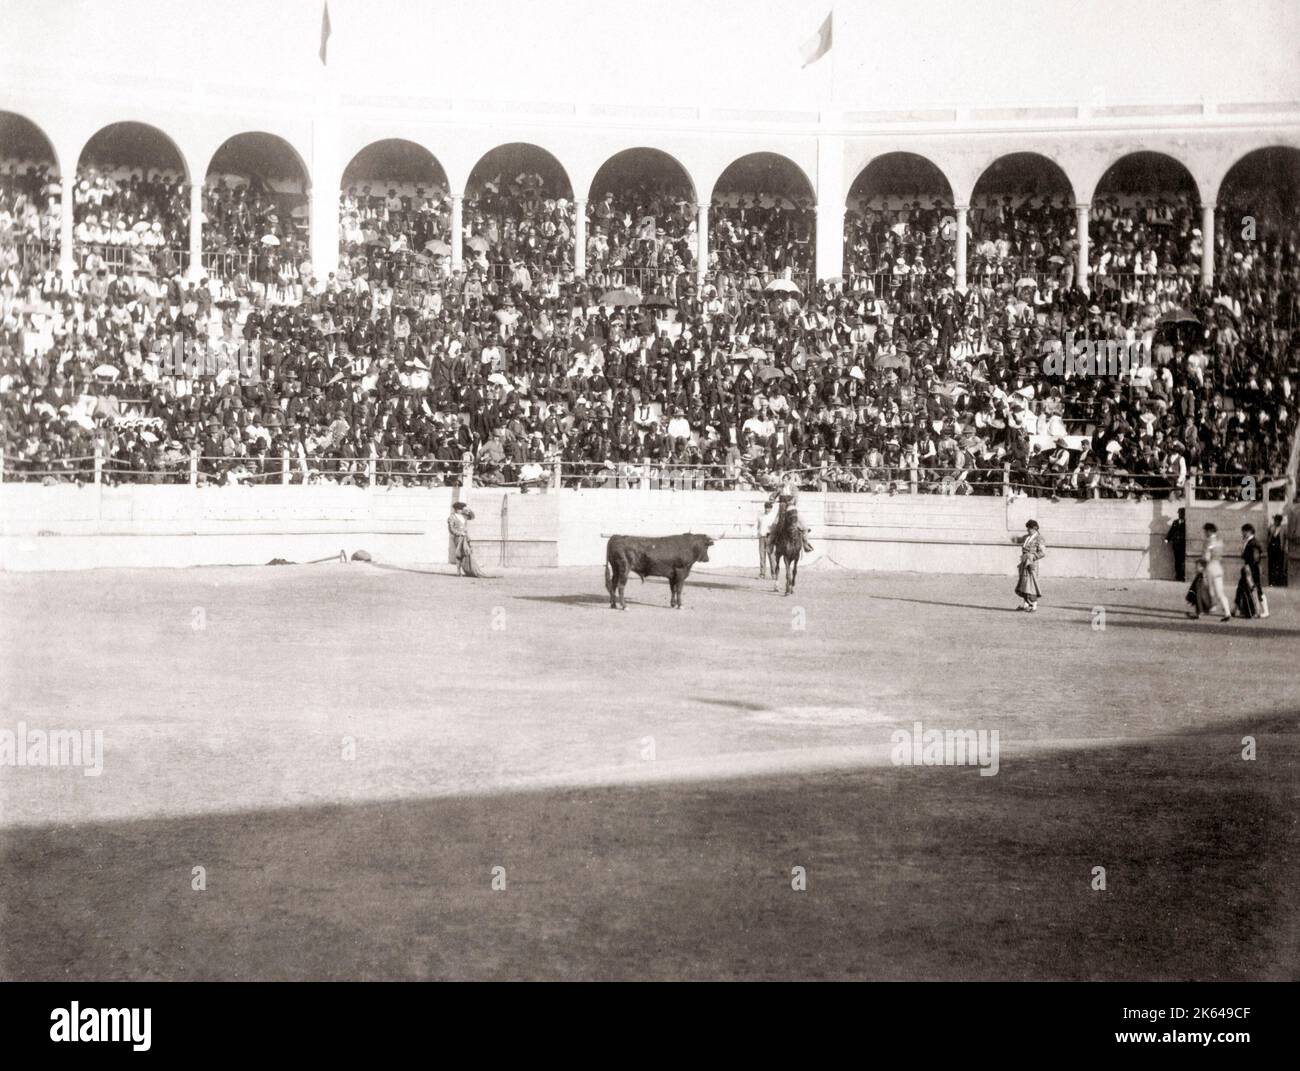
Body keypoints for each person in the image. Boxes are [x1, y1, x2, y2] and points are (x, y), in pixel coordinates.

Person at [1191, 523, 1231, 622]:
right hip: (1218, 568)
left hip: (1208, 569)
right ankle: (1227, 612)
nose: (1204, 533)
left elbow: (1206, 557)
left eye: (1205, 531)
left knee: (1200, 590)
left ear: (1209, 531)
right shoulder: (1219, 541)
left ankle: (1200, 612)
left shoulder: (1208, 542)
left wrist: (1200, 564)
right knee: (1219, 592)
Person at [765, 473, 814, 553]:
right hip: (781, 510)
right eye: (783, 480)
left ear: (789, 480)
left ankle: (806, 544)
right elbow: (773, 496)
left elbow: (795, 498)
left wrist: (789, 502)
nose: (784, 481)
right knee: (774, 526)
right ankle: (770, 545)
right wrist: (772, 499)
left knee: (804, 526)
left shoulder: (794, 488)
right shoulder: (780, 487)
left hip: (791, 509)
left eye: (786, 480)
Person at [1234, 523, 1267, 618]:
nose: (1242, 533)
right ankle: (1234, 609)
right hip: (1248, 569)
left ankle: (1265, 611)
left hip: (1251, 570)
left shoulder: (1253, 543)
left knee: (1257, 589)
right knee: (1240, 588)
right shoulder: (1248, 541)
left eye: (1244, 531)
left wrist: (1250, 569)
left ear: (1248, 531)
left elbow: (1255, 558)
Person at [1013, 519, 1046, 612]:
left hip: (1031, 564)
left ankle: (1034, 606)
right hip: (1024, 563)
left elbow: (1042, 553)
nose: (1028, 530)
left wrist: (1032, 557)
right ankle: (1026, 604)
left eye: (1030, 528)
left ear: (1035, 528)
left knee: (1031, 584)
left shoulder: (1039, 538)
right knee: (1024, 583)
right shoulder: (1028, 537)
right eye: (1028, 528)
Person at [447, 500, 482, 577]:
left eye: (461, 508)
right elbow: (451, 529)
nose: (461, 510)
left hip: (465, 536)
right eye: (459, 509)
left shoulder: (464, 515)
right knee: (459, 554)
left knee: (468, 552)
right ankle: (458, 571)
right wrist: (460, 533)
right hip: (458, 537)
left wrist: (469, 511)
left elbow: (472, 517)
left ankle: (469, 569)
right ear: (455, 509)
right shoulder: (451, 517)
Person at [1164, 507, 1186, 583]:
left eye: (1181, 513)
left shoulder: (1187, 522)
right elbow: (1171, 531)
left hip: (1183, 545)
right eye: (1179, 513)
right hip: (1176, 545)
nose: (1180, 515)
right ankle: (1178, 576)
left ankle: (1183, 576)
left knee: (1183, 561)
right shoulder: (1175, 522)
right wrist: (1167, 539)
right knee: (1177, 561)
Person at [1267, 513, 1288, 588]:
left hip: (1279, 549)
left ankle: (1279, 582)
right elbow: (1269, 536)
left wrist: (1284, 548)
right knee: (1271, 565)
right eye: (1275, 520)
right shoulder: (1271, 527)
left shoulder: (1283, 529)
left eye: (1278, 520)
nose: (1276, 522)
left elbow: (1285, 539)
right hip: (1271, 549)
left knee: (1279, 565)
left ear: (1280, 521)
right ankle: (1271, 581)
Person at [757, 499, 776, 578]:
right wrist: (758, 533)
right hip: (762, 537)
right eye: (766, 507)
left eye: (769, 508)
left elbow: (775, 527)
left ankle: (774, 573)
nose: (767, 509)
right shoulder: (760, 516)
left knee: (771, 556)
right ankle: (762, 573)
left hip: (769, 537)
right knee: (762, 556)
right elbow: (758, 526)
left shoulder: (773, 516)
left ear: (771, 508)